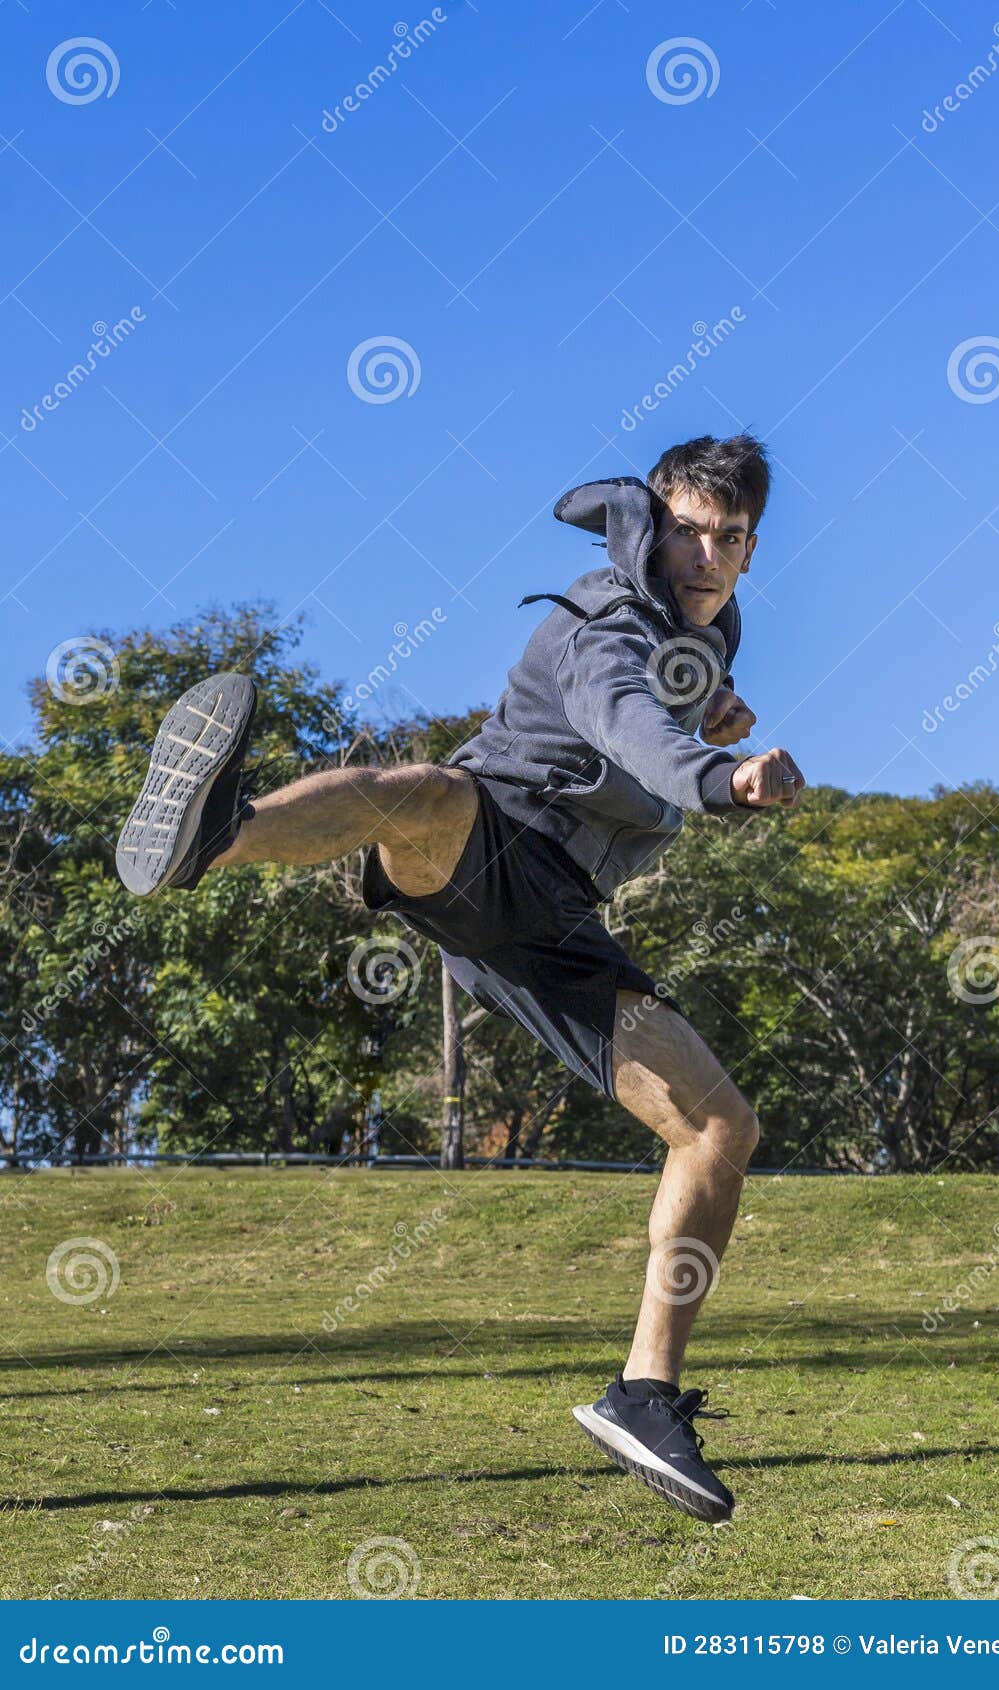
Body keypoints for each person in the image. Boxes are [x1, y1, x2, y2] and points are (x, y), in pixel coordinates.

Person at [116, 433, 804, 1523]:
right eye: (682, 529)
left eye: (725, 537)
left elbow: (666, 705)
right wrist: (716, 771)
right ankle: (217, 836)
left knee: (719, 1127)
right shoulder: (605, 623)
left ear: (751, 549)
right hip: (497, 847)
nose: (700, 554)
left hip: (555, 925)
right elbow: (625, 719)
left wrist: (710, 711)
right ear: (649, 522)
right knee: (431, 793)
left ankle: (642, 1392)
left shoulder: (705, 634)